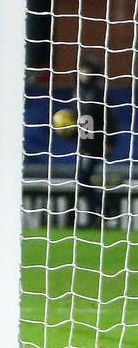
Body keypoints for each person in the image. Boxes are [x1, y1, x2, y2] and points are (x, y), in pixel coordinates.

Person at [74, 56, 116, 227]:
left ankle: (99, 212)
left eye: (86, 70)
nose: (83, 73)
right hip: (83, 142)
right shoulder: (77, 91)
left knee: (83, 178)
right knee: (82, 178)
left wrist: (110, 141)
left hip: (96, 143)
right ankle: (102, 210)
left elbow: (109, 119)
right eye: (81, 70)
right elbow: (79, 119)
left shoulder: (97, 93)